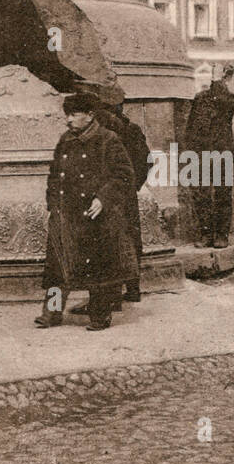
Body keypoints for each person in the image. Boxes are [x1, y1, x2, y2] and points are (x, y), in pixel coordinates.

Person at [35, 92, 136, 332]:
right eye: (66, 115)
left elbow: (123, 175)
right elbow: (54, 176)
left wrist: (103, 198)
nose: (68, 120)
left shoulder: (108, 140)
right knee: (57, 268)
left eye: (73, 115)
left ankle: (100, 316)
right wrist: (52, 205)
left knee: (98, 270)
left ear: (90, 116)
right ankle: (52, 313)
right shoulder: (66, 140)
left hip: (93, 216)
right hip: (65, 214)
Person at [91, 93, 149, 304]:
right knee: (131, 238)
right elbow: (145, 161)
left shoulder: (102, 130)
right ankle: (133, 289)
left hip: (106, 193)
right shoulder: (132, 129)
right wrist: (133, 186)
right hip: (127, 192)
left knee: (109, 240)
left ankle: (113, 295)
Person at [184, 63, 234, 249]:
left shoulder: (230, 99)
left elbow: (221, 100)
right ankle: (206, 233)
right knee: (202, 194)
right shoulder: (200, 98)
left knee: (222, 193)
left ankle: (222, 235)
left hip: (222, 152)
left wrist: (217, 81)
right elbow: (191, 125)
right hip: (201, 152)